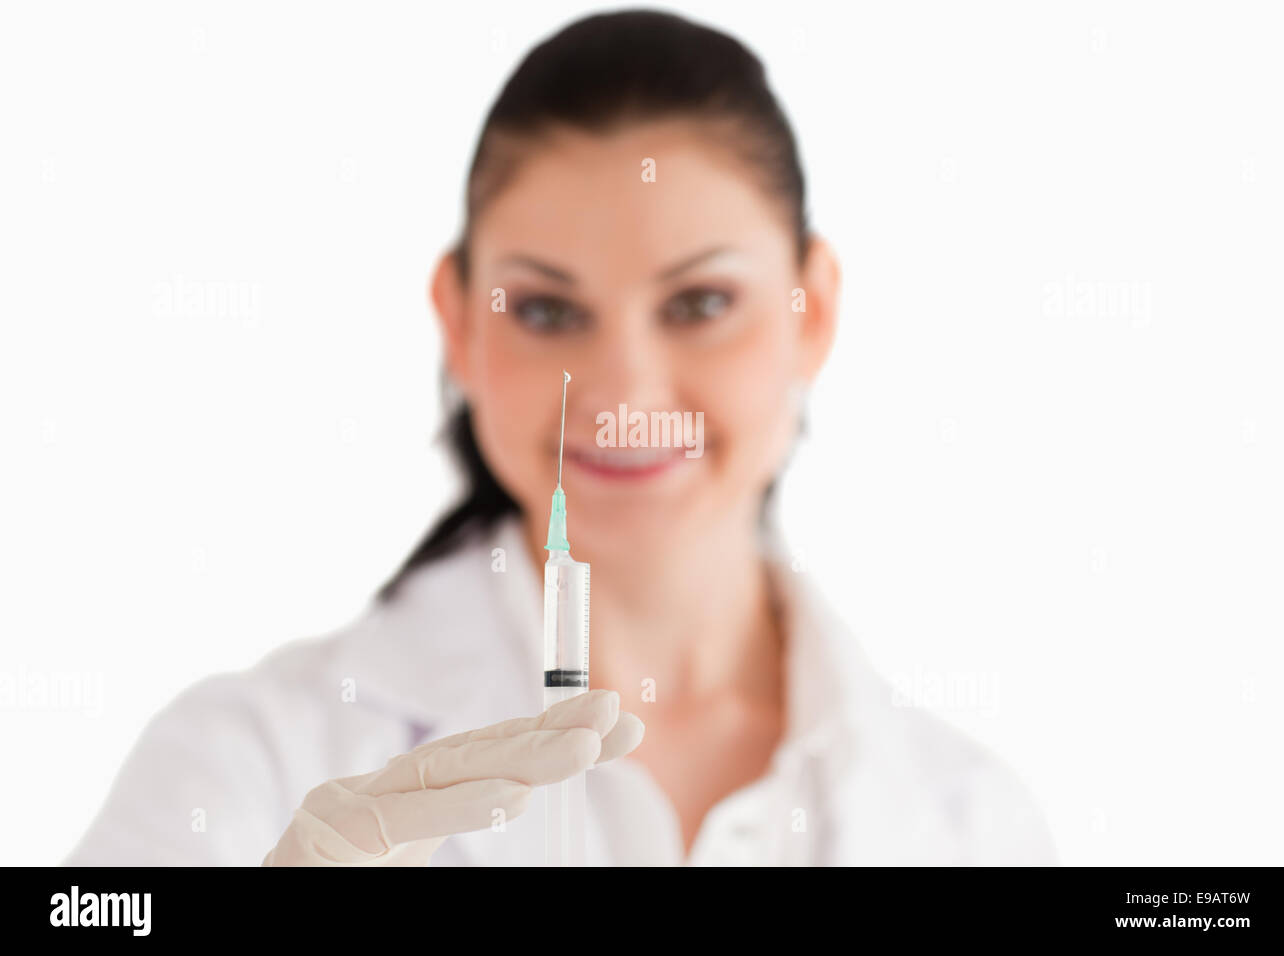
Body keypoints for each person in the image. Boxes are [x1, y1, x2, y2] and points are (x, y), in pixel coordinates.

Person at [65, 9, 1057, 866]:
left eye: (701, 301)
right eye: (545, 310)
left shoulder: (970, 819)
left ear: (811, 310)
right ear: (458, 320)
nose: (623, 391)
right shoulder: (245, 758)